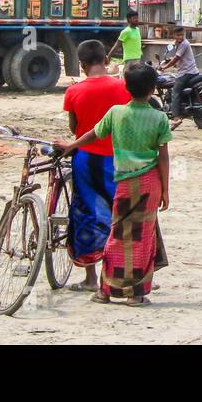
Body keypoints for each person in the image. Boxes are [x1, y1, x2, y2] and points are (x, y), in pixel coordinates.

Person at [54, 62, 171, 306]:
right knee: (141, 236)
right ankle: (135, 293)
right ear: (152, 90)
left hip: (124, 182)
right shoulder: (159, 118)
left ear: (126, 88)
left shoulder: (116, 113)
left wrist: (71, 145)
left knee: (116, 232)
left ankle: (105, 290)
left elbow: (92, 134)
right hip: (149, 183)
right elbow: (163, 156)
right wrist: (166, 190)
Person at [61, 39, 129, 292]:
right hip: (119, 158)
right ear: (106, 60)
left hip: (86, 159)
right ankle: (120, 275)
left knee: (86, 212)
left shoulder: (74, 92)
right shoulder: (124, 88)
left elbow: (74, 128)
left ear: (82, 65)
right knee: (121, 213)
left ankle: (91, 278)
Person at [158, 26, 198, 123]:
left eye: (181, 35)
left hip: (187, 72)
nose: (180, 37)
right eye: (177, 35)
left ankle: (176, 117)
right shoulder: (178, 43)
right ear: (173, 35)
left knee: (175, 92)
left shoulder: (184, 44)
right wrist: (172, 61)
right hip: (190, 71)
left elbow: (176, 58)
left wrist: (164, 67)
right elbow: (177, 58)